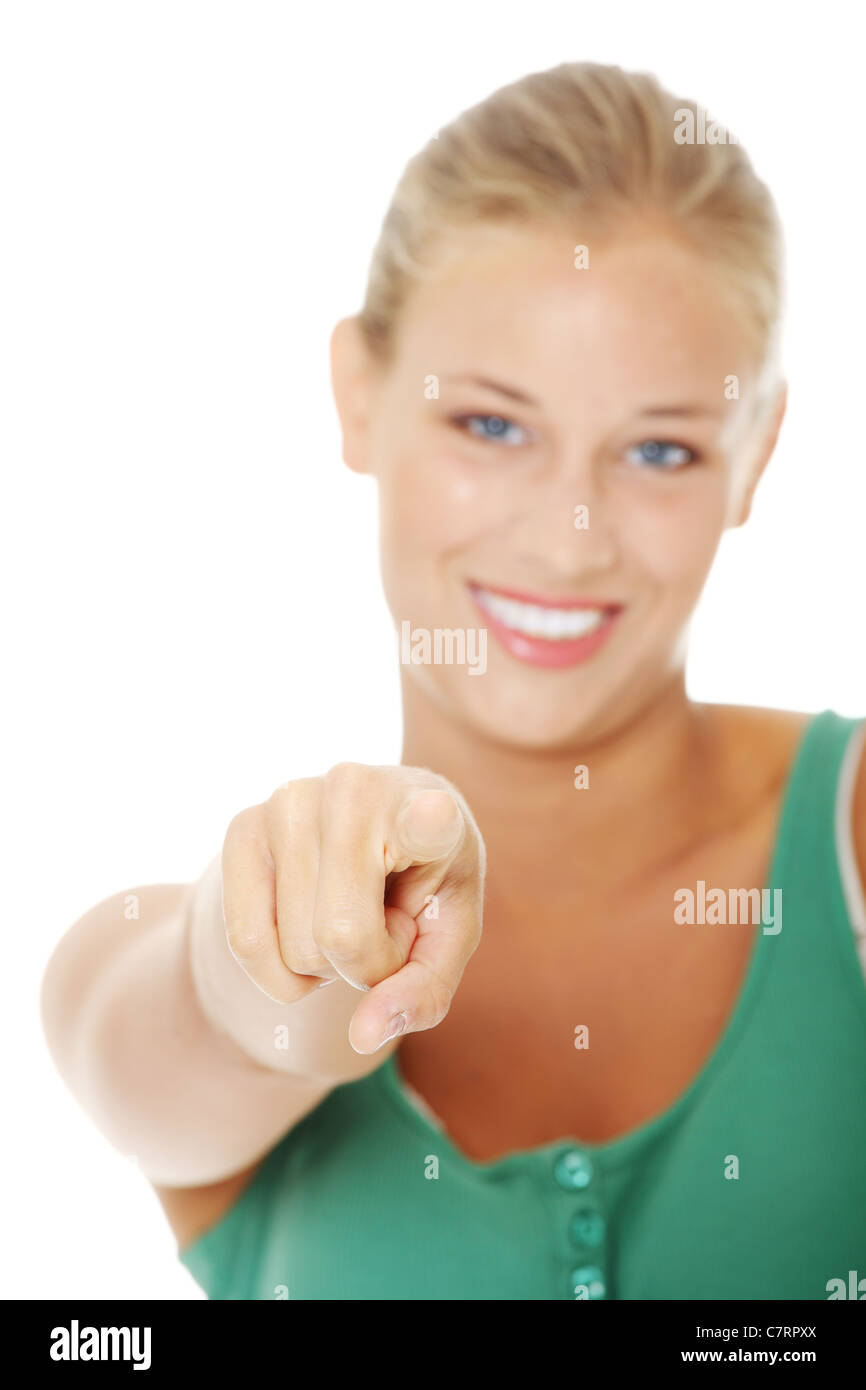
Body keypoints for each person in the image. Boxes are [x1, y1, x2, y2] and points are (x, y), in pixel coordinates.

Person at [41, 61, 866, 1301]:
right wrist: (283, 933)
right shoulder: (126, 962)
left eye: (659, 447)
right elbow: (200, 1031)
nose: (568, 535)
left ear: (755, 458)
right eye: (490, 424)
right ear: (356, 393)